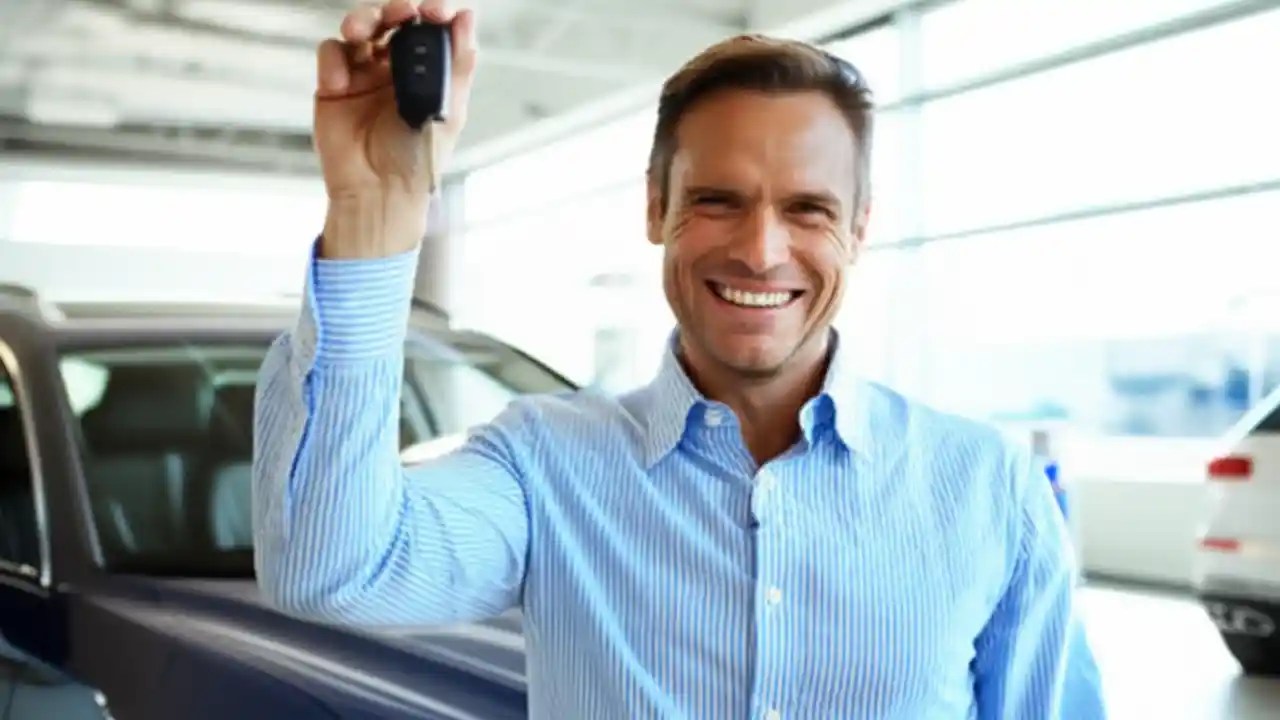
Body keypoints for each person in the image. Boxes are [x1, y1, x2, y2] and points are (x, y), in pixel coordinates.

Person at [252, 0, 1107, 717]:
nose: (761, 251)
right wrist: (376, 207)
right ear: (655, 206)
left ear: (859, 227)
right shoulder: (545, 466)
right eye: (718, 201)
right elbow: (332, 569)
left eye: (808, 210)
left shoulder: (989, 491)